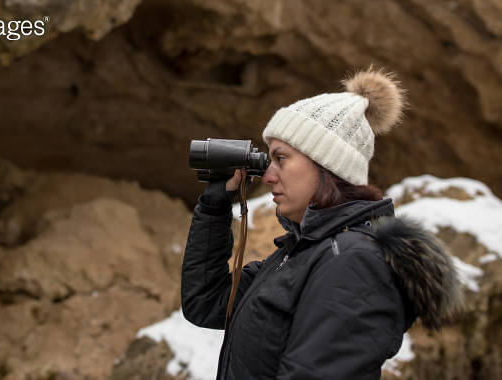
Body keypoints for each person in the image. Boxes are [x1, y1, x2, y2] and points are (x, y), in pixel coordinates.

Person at [181, 67, 464, 379]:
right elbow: (206, 302)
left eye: (281, 159)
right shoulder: (301, 256)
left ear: (327, 164)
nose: (268, 175)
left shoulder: (352, 264)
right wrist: (215, 204)